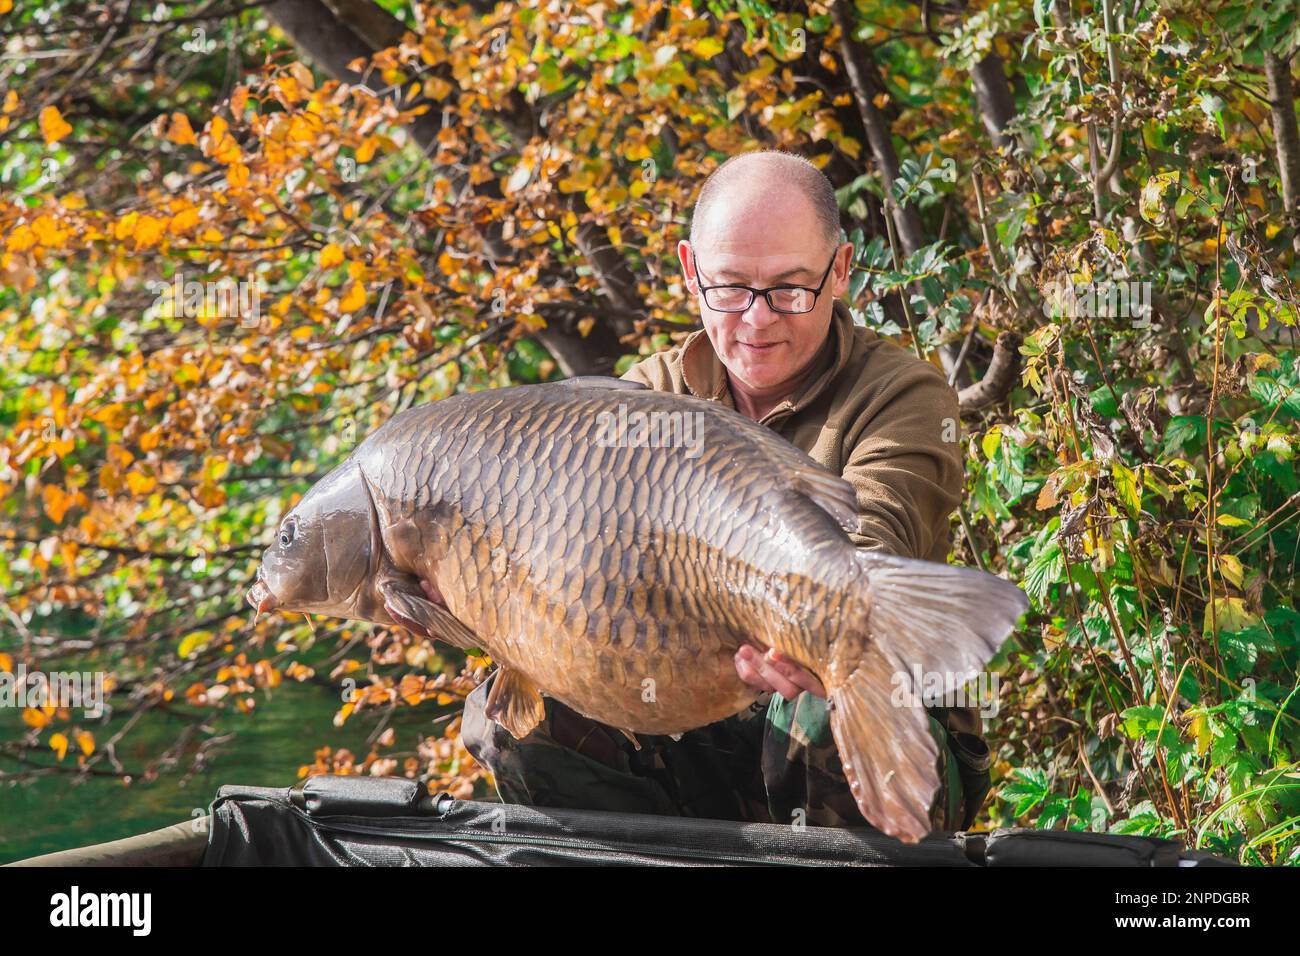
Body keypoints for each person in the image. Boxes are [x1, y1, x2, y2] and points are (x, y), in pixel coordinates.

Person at [433, 150, 993, 833]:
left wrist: (798, 621)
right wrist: (462, 600)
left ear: (840, 271)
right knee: (515, 714)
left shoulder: (902, 393)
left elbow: (873, 538)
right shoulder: (645, 397)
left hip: (857, 710)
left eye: (791, 289)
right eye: (730, 288)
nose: (758, 321)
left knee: (817, 699)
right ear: (690, 274)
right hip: (690, 703)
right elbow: (574, 583)